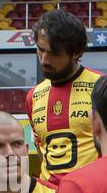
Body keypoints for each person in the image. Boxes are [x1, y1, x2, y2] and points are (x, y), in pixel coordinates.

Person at [28, 10, 102, 183]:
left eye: (55, 53)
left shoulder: (103, 87)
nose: (44, 60)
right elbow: (41, 148)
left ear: (76, 53)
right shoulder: (33, 96)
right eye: (40, 50)